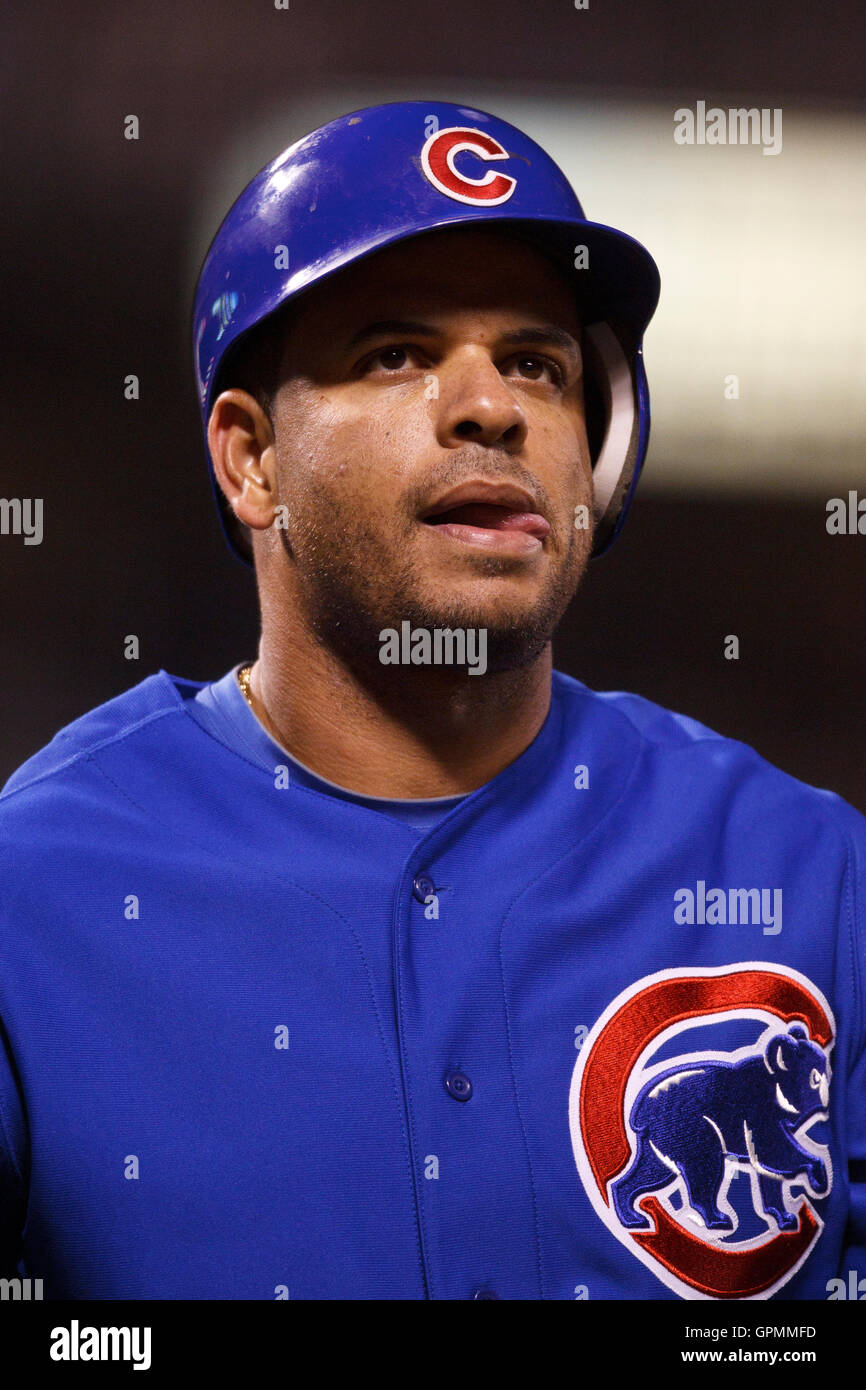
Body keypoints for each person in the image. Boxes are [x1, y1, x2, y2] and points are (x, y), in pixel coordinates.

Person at [0, 100, 863, 1302]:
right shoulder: (36, 887)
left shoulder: (810, 874)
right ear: (251, 461)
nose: (491, 406)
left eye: (535, 364)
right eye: (395, 353)